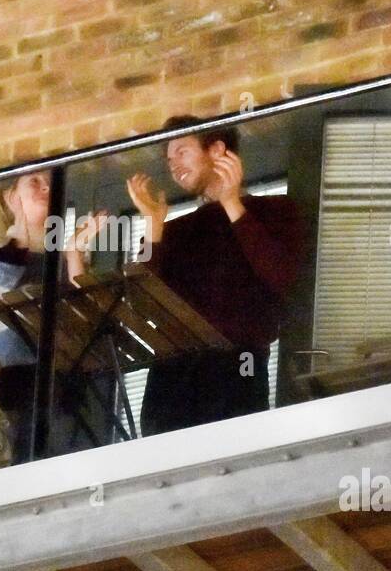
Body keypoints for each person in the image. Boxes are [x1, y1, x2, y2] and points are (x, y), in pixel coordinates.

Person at [126, 116, 305, 436]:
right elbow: (141, 302)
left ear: (218, 150)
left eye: (181, 151)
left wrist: (231, 201)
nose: (173, 164)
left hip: (238, 367)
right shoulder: (174, 231)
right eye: (169, 158)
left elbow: (281, 275)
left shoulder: (275, 211)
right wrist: (153, 225)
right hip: (172, 375)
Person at [0, 171, 107, 462]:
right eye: (34, 182)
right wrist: (20, 235)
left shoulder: (63, 256)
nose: (46, 188)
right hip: (10, 375)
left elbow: (88, 311)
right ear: (10, 196)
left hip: (65, 374)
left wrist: (74, 253)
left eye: (50, 184)